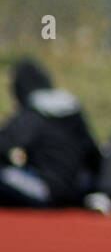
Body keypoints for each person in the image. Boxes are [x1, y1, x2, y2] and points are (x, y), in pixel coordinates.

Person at [0, 59, 100, 208]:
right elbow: (93, 154)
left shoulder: (32, 115)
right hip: (74, 191)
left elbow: (4, 145)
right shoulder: (74, 113)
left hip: (45, 190)